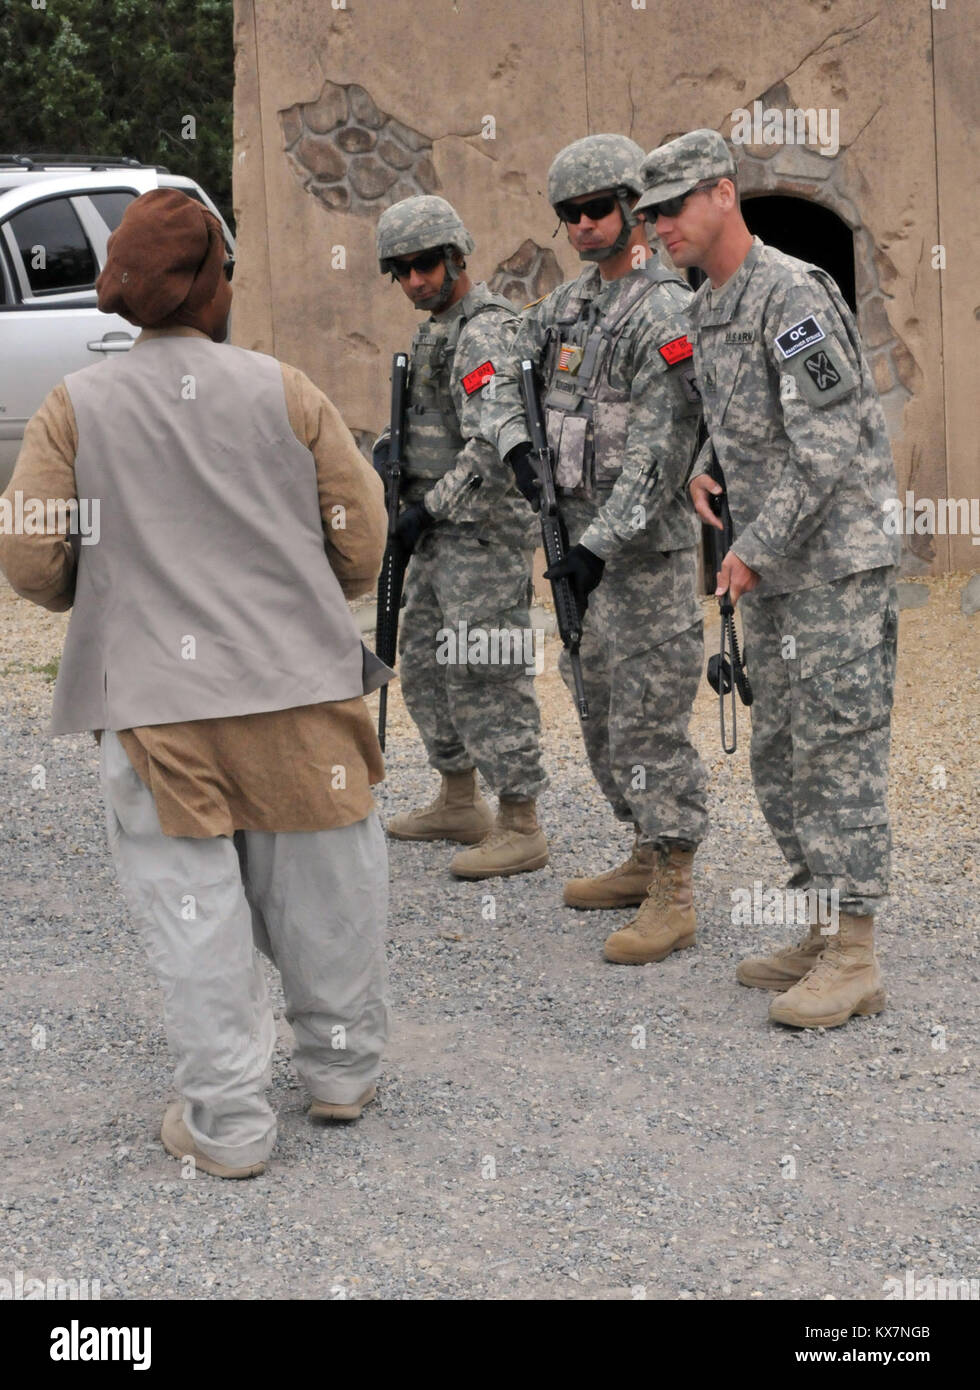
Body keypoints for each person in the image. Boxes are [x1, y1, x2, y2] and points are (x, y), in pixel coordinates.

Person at [0, 188, 392, 1176]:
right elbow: (360, 541)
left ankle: (227, 1123)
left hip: (157, 707)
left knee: (195, 908)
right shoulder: (286, 389)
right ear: (213, 285)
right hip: (301, 686)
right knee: (324, 886)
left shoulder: (74, 408)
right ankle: (340, 1075)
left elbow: (33, 559)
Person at [634, 129, 900, 1027]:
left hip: (832, 564)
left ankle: (857, 953)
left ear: (720, 195)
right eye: (649, 214)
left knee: (837, 751)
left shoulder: (792, 294)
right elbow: (744, 415)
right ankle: (821, 925)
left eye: (670, 207)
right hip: (779, 572)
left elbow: (829, 440)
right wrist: (705, 463)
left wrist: (751, 548)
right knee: (781, 756)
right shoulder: (708, 305)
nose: (657, 226)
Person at [484, 135, 708, 965]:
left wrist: (601, 544)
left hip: (638, 561)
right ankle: (644, 849)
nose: (580, 226)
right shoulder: (567, 308)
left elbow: (662, 449)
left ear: (631, 208)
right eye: (566, 216)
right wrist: (512, 441)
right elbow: (499, 364)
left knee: (650, 724)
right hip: (574, 548)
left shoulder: (666, 312)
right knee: (599, 715)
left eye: (595, 209)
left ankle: (677, 886)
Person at [375, 195, 549, 880]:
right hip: (438, 532)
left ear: (456, 257)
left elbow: (491, 442)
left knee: (487, 670)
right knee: (420, 663)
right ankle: (457, 797)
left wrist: (428, 509)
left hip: (480, 534)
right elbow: (439, 426)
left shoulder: (484, 331)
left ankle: (520, 820)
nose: (415, 281)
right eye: (402, 270)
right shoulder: (437, 329)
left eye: (425, 265)